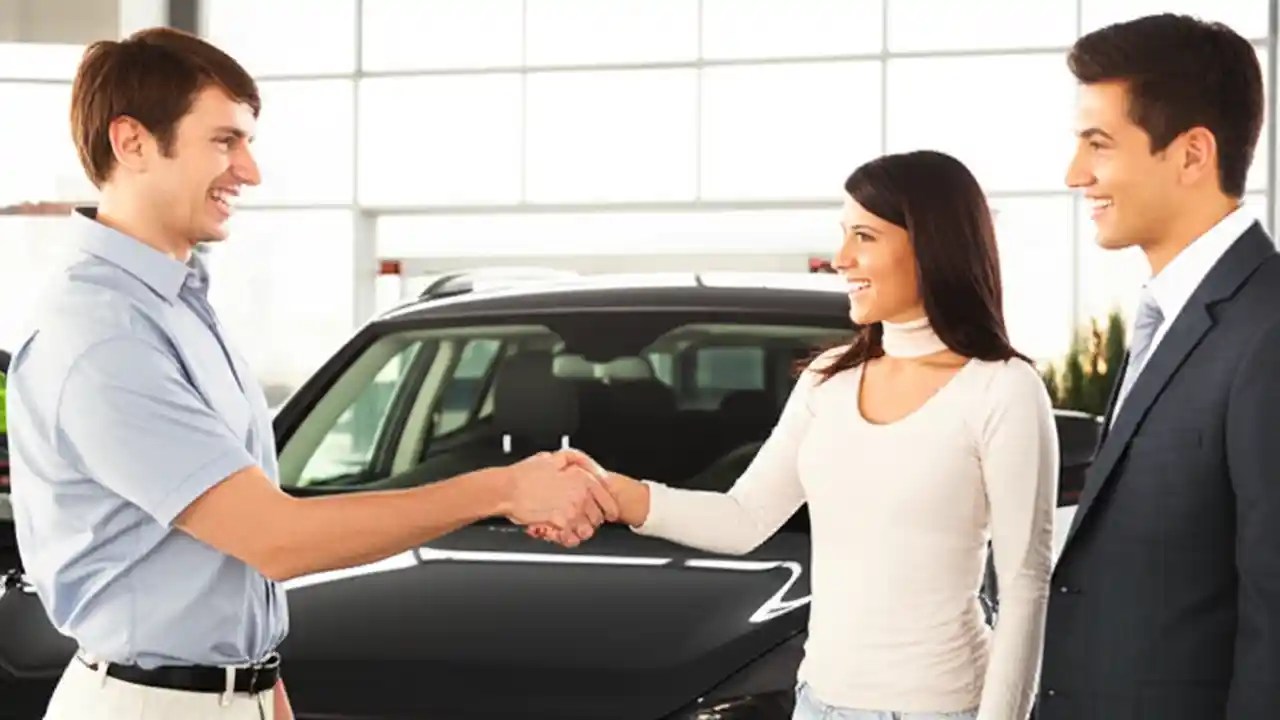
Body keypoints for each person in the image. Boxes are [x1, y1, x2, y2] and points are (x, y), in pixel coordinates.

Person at [4, 27, 615, 720]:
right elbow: (277, 538)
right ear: (132, 142)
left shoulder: (180, 309)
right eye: (225, 141)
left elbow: (235, 572)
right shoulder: (100, 335)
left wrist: (266, 692)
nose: (250, 172)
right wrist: (501, 488)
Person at [536, 150, 1060, 720]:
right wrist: (608, 490)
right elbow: (745, 518)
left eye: (864, 236)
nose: (840, 259)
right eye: (843, 235)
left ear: (932, 244)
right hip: (818, 703)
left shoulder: (1001, 388)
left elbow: (1025, 582)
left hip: (936, 708)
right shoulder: (828, 379)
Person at [1036, 13, 1280, 719]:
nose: (1075, 173)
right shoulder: (1172, 316)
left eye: (1099, 143)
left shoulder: (1267, 328)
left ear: (1192, 154)